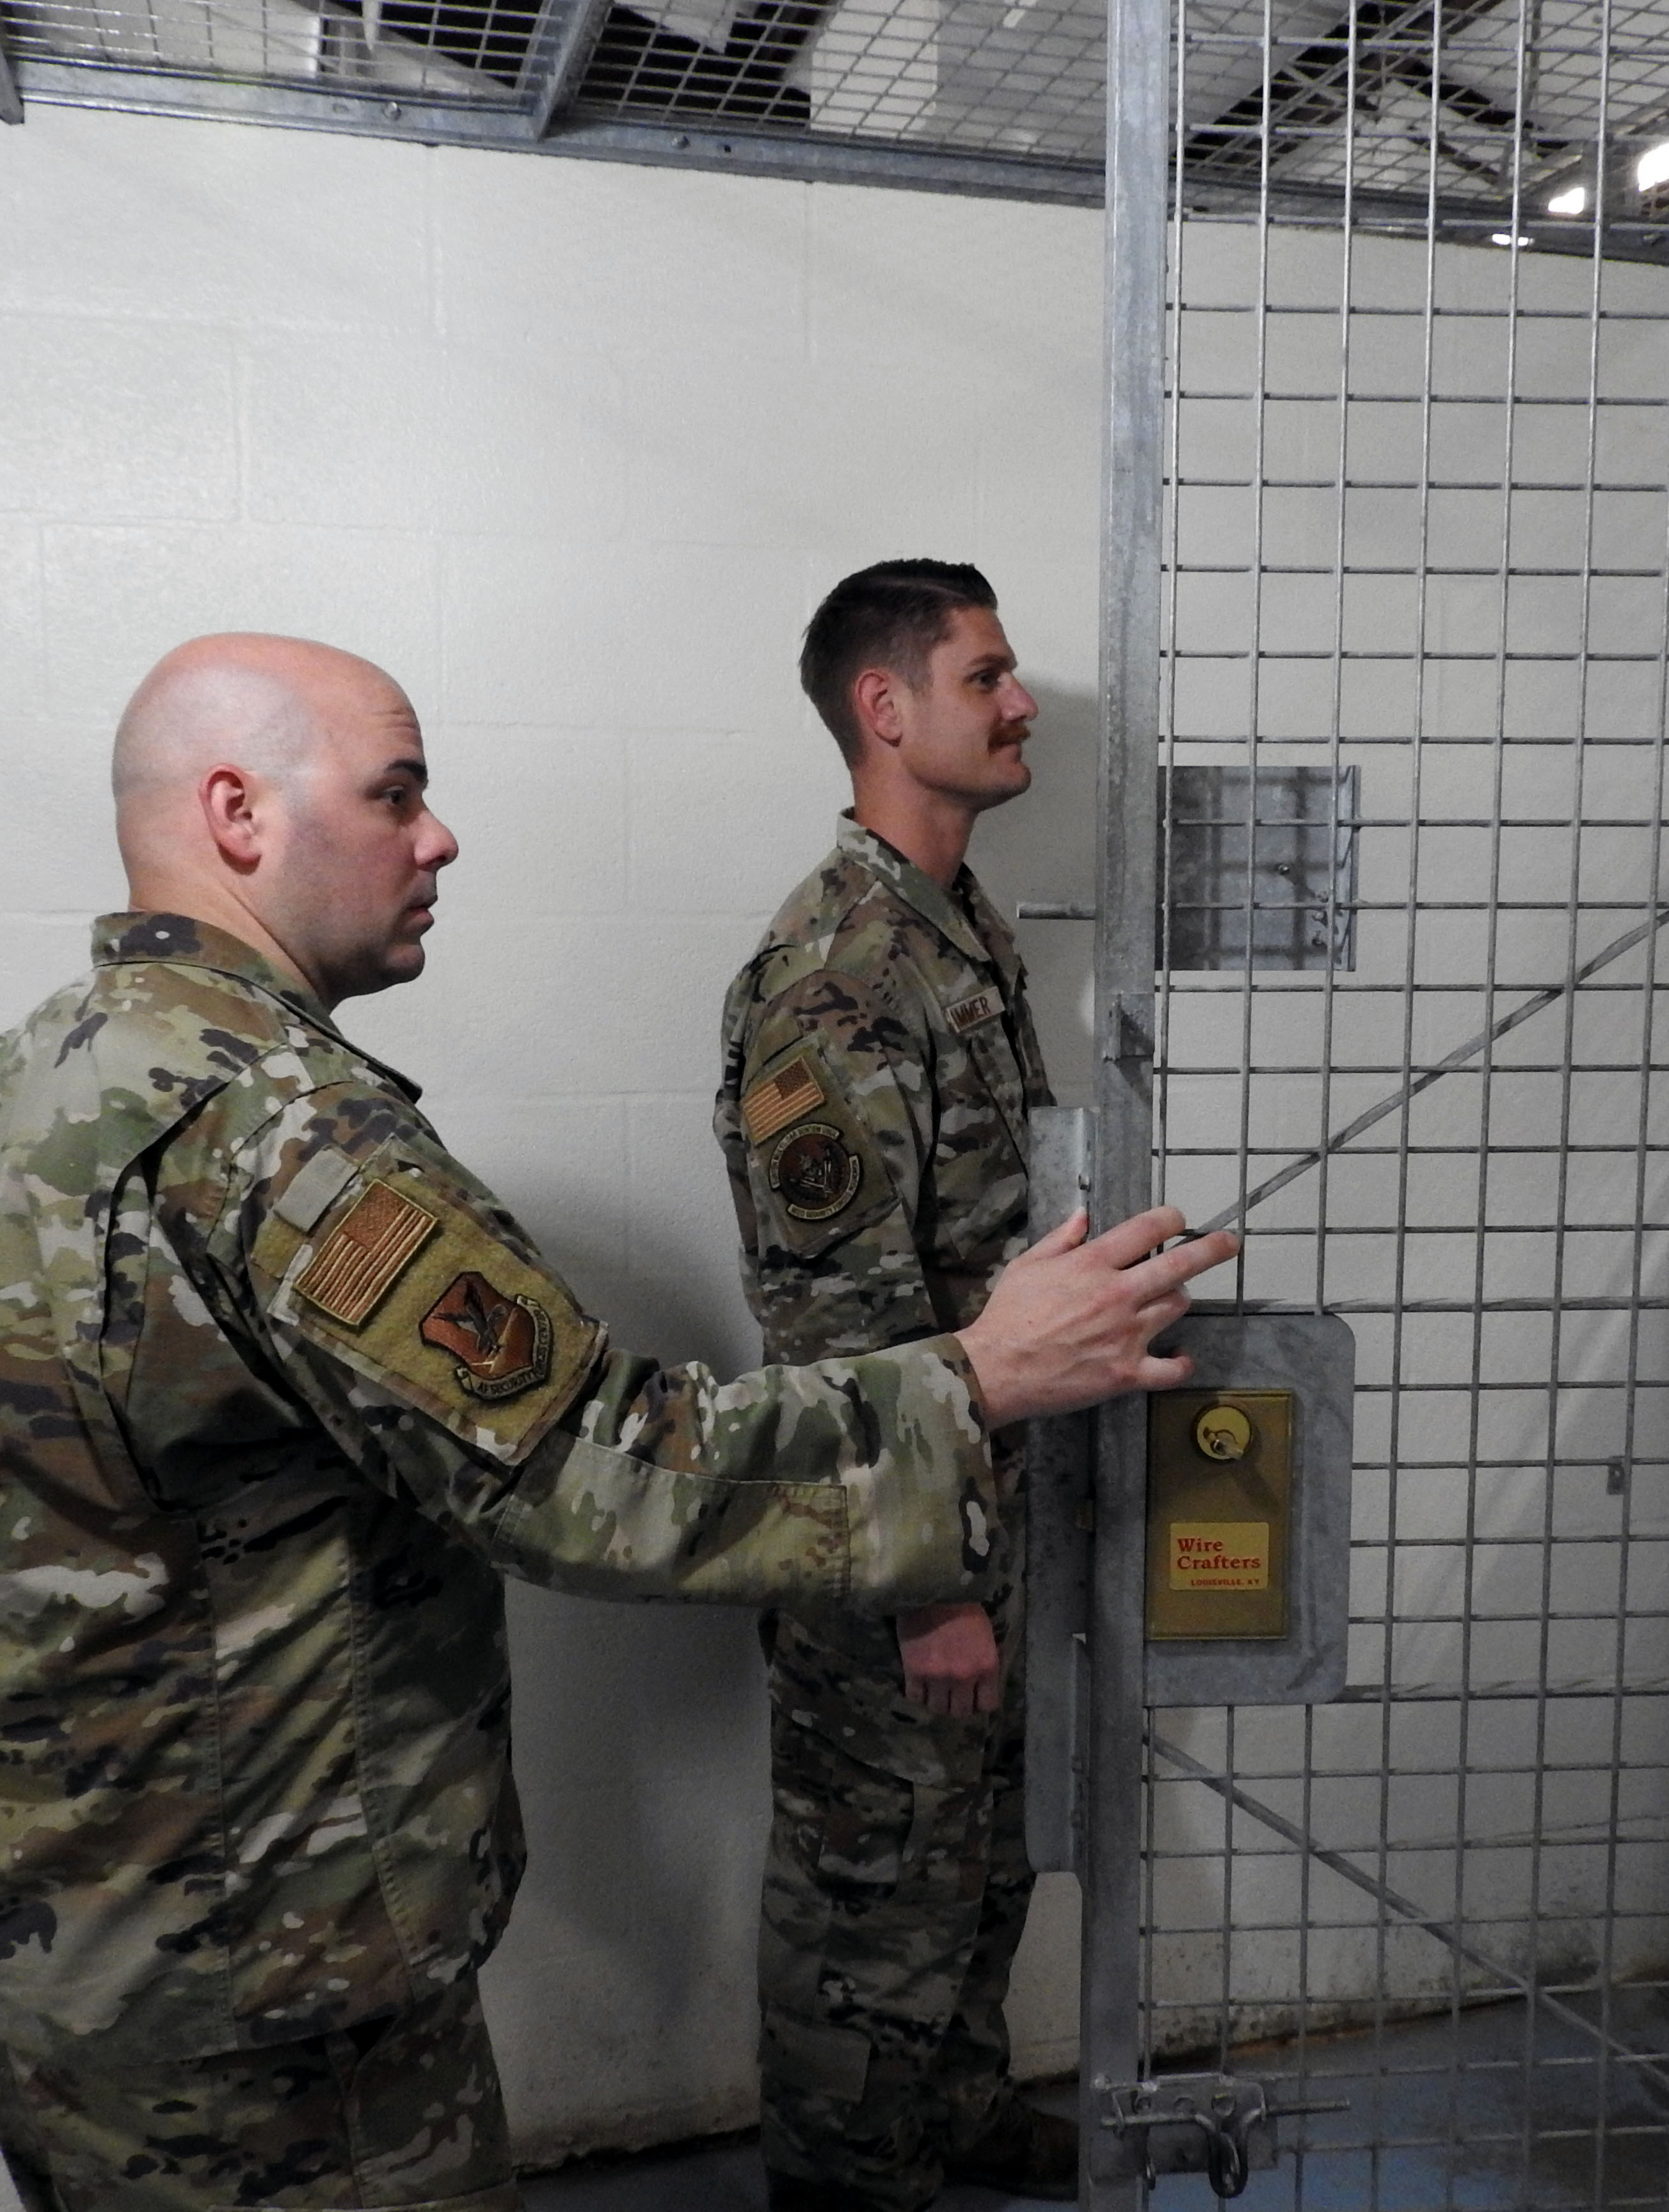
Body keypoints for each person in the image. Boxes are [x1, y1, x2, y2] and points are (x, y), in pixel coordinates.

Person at [0, 632, 1238, 2212]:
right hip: (262, 1991)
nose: (439, 836)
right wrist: (984, 1378)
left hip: (70, 1932)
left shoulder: (12, 1088)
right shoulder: (274, 1134)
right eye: (397, 796)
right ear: (239, 815)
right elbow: (598, 1471)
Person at [713, 563, 1071, 2212]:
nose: (1022, 706)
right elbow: (837, 1337)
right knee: (876, 1889)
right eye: (988, 676)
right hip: (895, 1541)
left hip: (988, 1500)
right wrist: (930, 1584)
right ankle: (854, 2179)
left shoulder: (964, 930)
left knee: (975, 1857)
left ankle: (960, 2119)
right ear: (886, 707)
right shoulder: (840, 975)